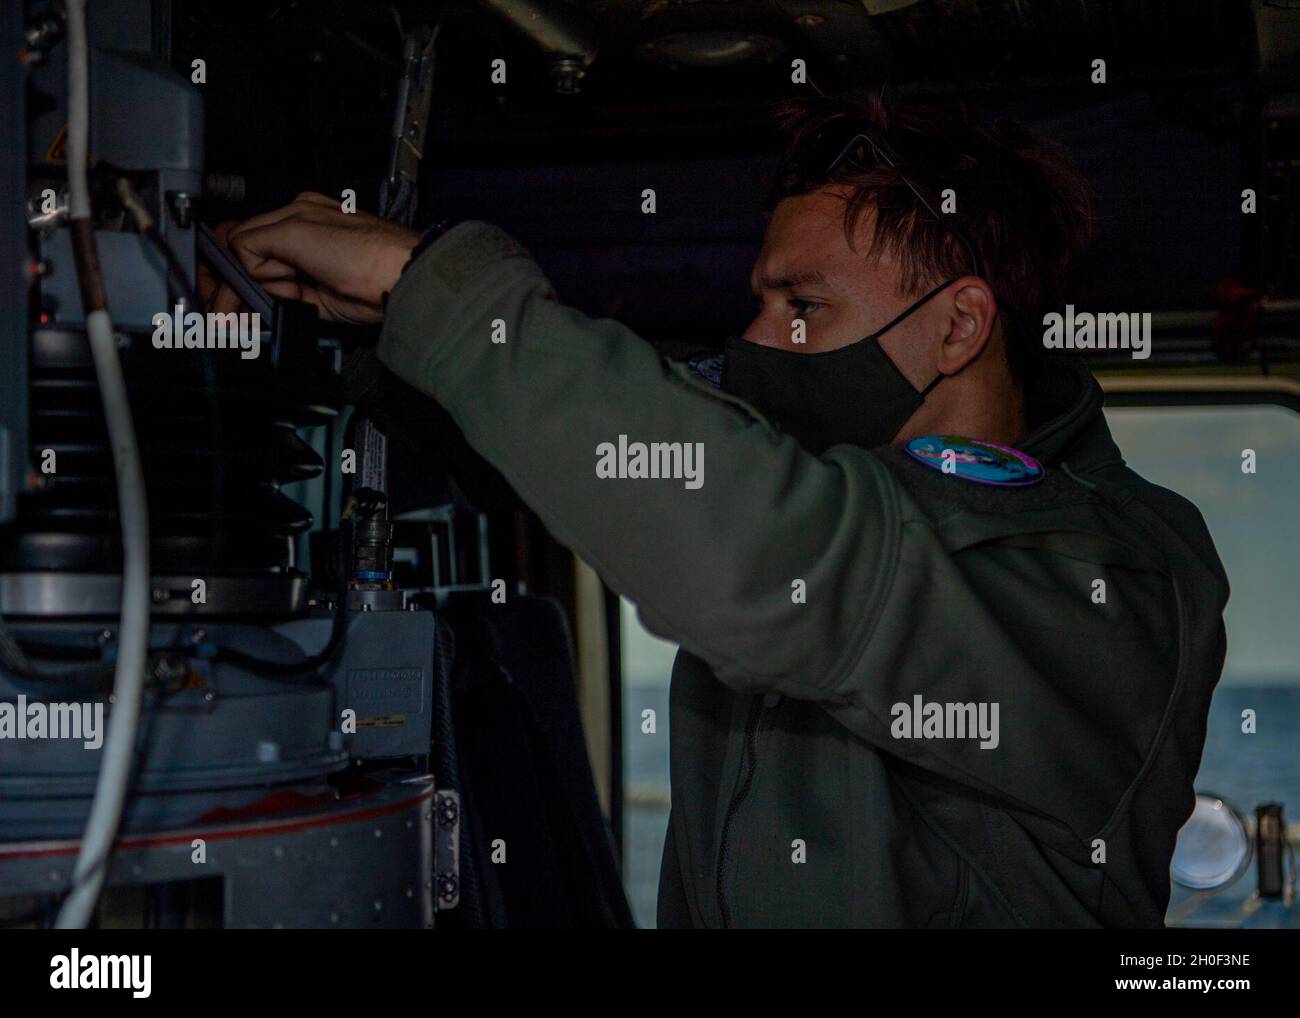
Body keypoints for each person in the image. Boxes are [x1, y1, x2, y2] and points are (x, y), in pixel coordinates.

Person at [202, 93, 1229, 928]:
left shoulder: (1117, 570)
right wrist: (379, 336)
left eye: (802, 305)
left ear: (957, 324)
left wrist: (425, 281)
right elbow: (597, 461)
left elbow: (781, 551)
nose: (755, 335)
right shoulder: (818, 477)